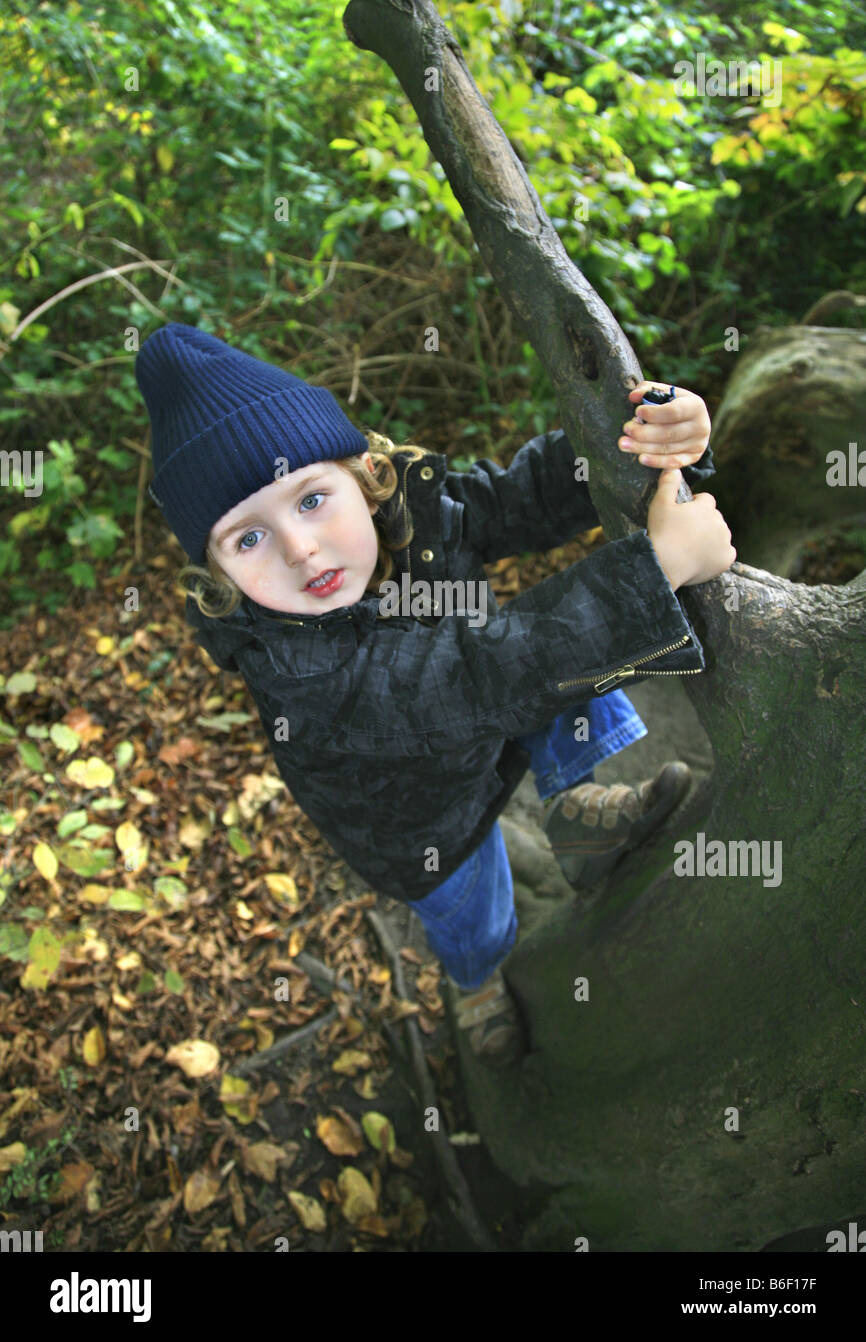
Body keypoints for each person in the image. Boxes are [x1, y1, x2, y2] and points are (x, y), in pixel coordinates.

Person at [136, 324, 736, 1068]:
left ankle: (574, 811)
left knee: (565, 670)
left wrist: (649, 438)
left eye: (313, 498)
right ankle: (476, 982)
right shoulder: (295, 664)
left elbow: (520, 497)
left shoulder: (413, 508)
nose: (300, 547)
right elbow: (475, 675)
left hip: (492, 723)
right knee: (473, 912)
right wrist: (657, 569)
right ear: (218, 574)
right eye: (247, 540)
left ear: (363, 476)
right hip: (420, 822)